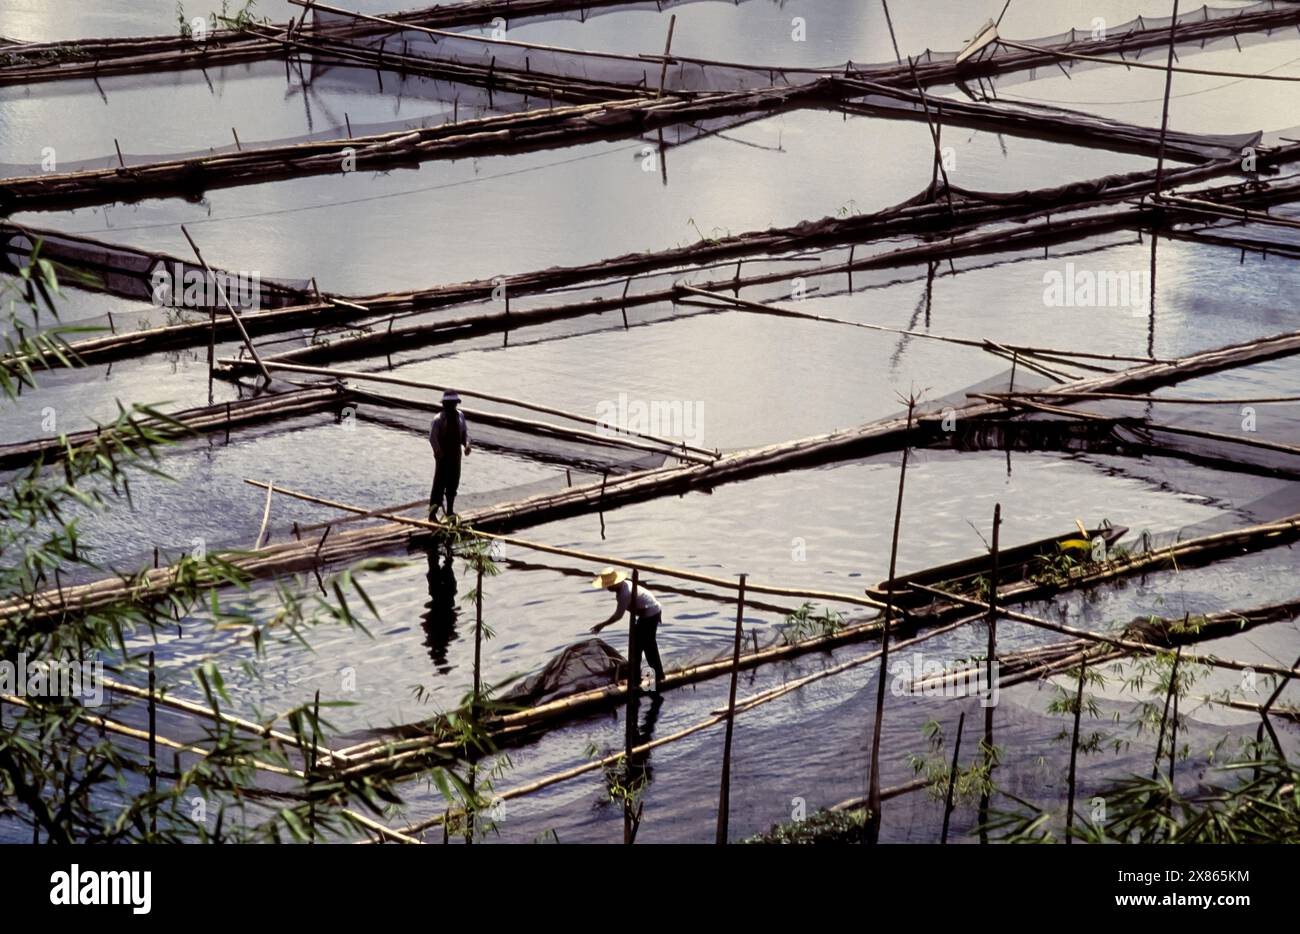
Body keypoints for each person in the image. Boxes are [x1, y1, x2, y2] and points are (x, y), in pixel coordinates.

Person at [589, 567, 665, 694]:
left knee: (648, 647)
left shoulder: (625, 593)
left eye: (609, 586)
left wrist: (601, 625)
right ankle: (636, 678)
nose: (607, 588)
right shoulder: (623, 587)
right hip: (645, 614)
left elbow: (618, 616)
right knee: (636, 648)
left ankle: (657, 678)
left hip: (650, 614)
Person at [429, 389, 471, 518]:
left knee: (453, 484)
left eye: (453, 403)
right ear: (443, 405)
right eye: (448, 404)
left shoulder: (460, 416)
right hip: (443, 456)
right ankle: (432, 515)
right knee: (439, 486)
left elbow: (465, 434)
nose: (450, 406)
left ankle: (450, 511)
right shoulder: (438, 419)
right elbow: (433, 438)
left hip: (456, 455)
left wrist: (467, 444)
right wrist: (438, 452)